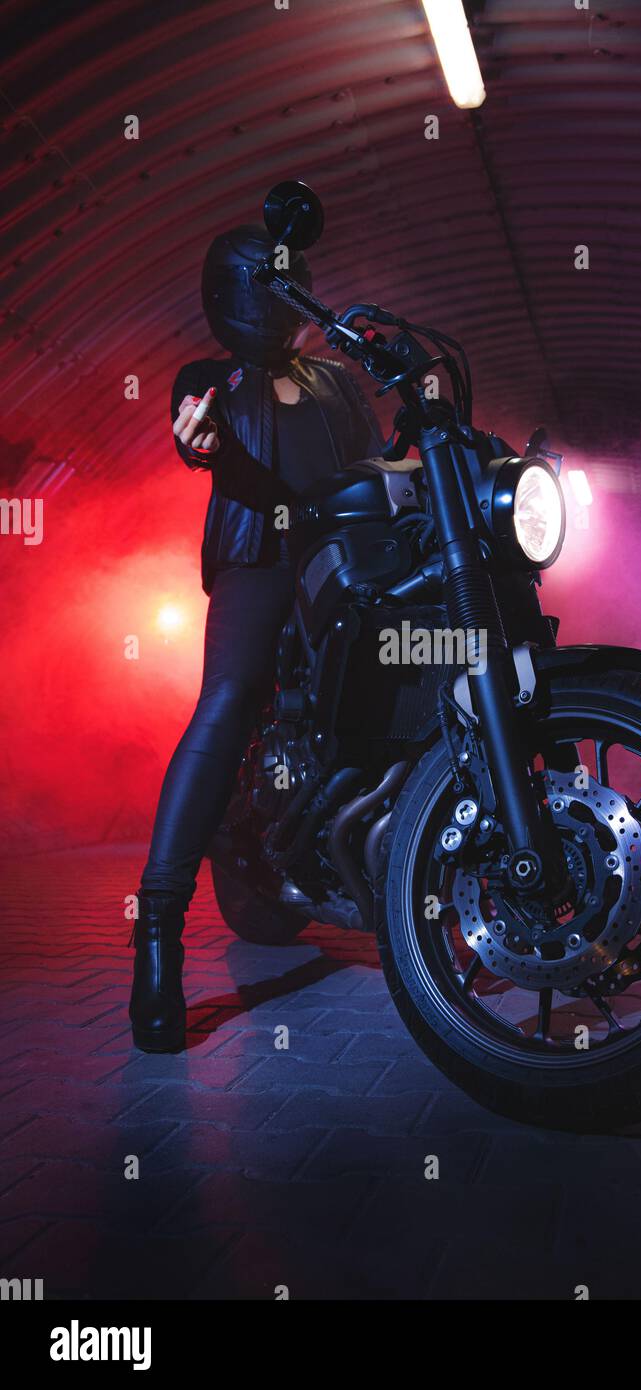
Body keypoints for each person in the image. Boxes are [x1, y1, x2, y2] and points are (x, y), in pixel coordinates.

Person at [129, 225, 383, 1053]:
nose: (284, 297)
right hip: (261, 557)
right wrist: (195, 438)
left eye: (291, 282)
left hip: (346, 561)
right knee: (230, 699)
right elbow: (194, 431)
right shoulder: (212, 377)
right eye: (270, 284)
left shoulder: (338, 380)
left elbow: (377, 465)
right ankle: (158, 932)